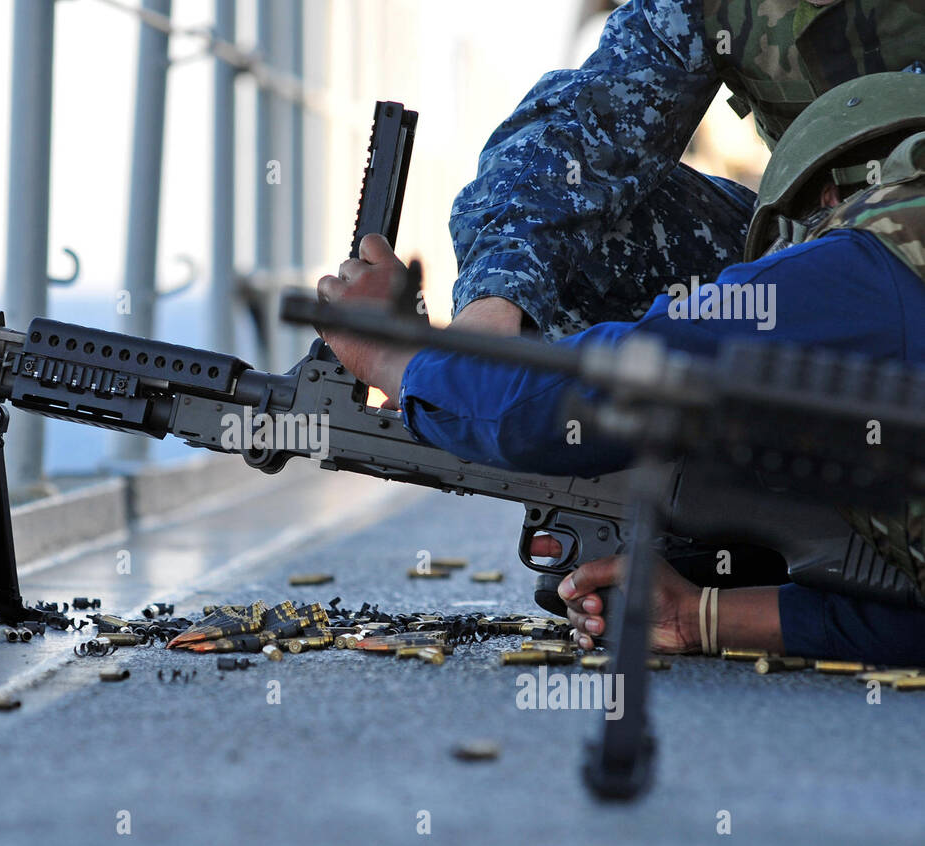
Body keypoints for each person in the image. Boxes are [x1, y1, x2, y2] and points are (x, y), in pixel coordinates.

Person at [317, 71, 925, 665]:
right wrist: (697, 617)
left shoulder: (873, 260)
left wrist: (397, 362)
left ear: (830, 198)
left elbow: (618, 382)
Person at [403, 0, 925, 351]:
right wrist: (494, 301)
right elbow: (586, 125)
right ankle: (682, 494)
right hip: (810, 262)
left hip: (899, 256)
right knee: (571, 234)